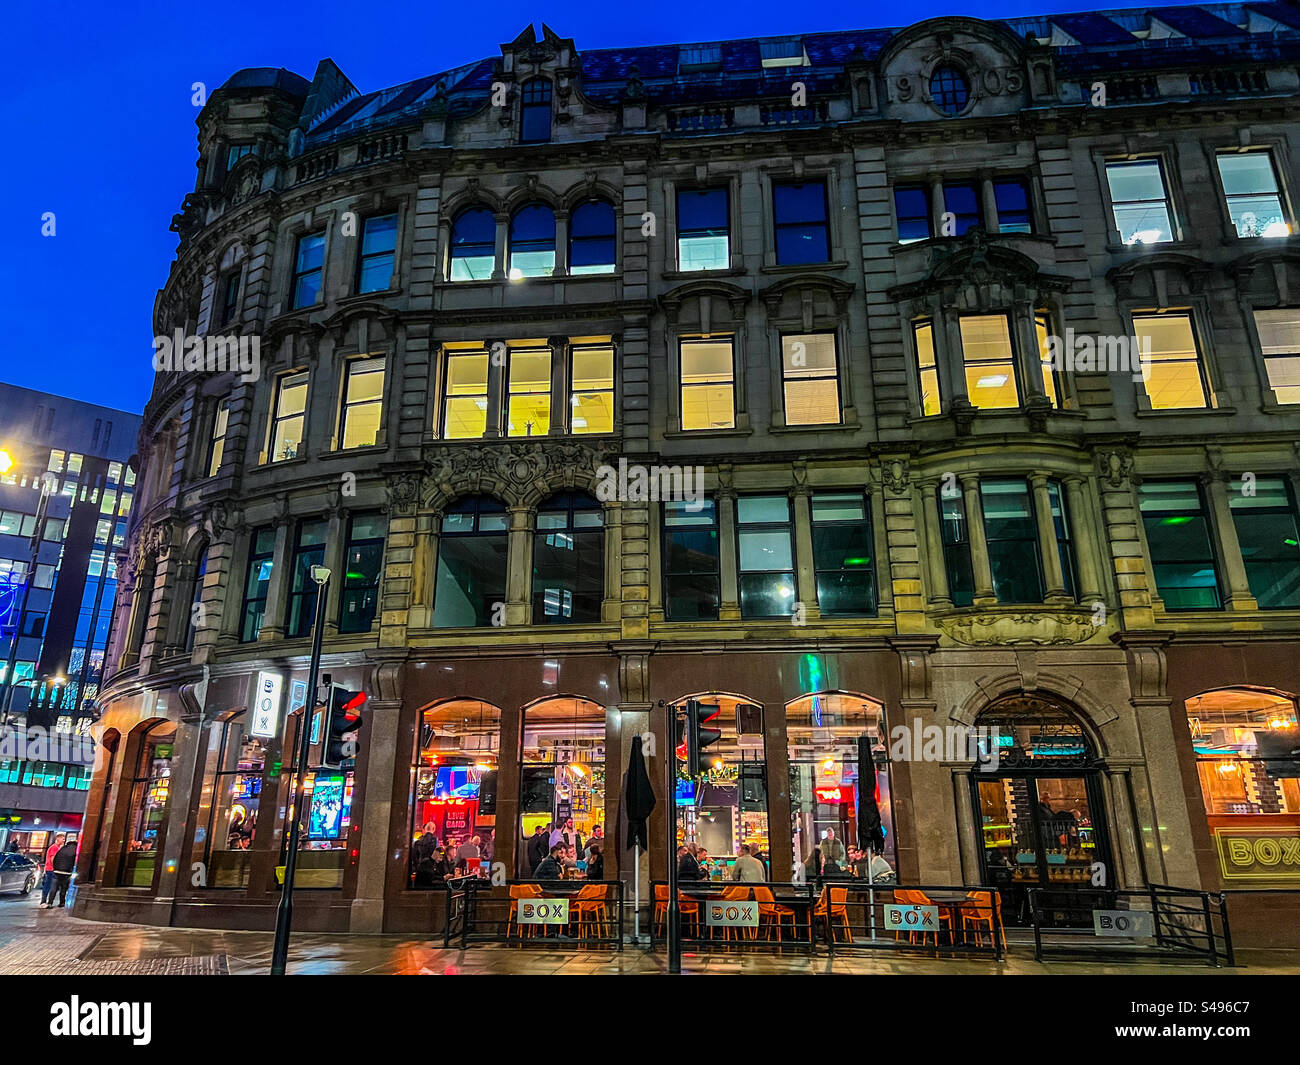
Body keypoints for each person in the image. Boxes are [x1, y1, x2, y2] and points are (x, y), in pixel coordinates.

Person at [49, 837, 78, 908]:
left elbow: (55, 858)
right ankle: (62, 903)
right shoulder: (75, 850)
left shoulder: (63, 848)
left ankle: (50, 902)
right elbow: (74, 861)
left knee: (54, 887)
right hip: (66, 872)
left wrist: (55, 868)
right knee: (63, 888)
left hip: (57, 870)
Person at [40, 834, 66, 908]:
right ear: (58, 839)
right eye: (63, 839)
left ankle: (47, 902)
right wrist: (56, 868)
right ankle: (43, 902)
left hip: (51, 869)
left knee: (51, 886)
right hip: (51, 869)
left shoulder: (57, 848)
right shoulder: (54, 848)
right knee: (48, 885)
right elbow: (52, 859)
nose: (64, 840)